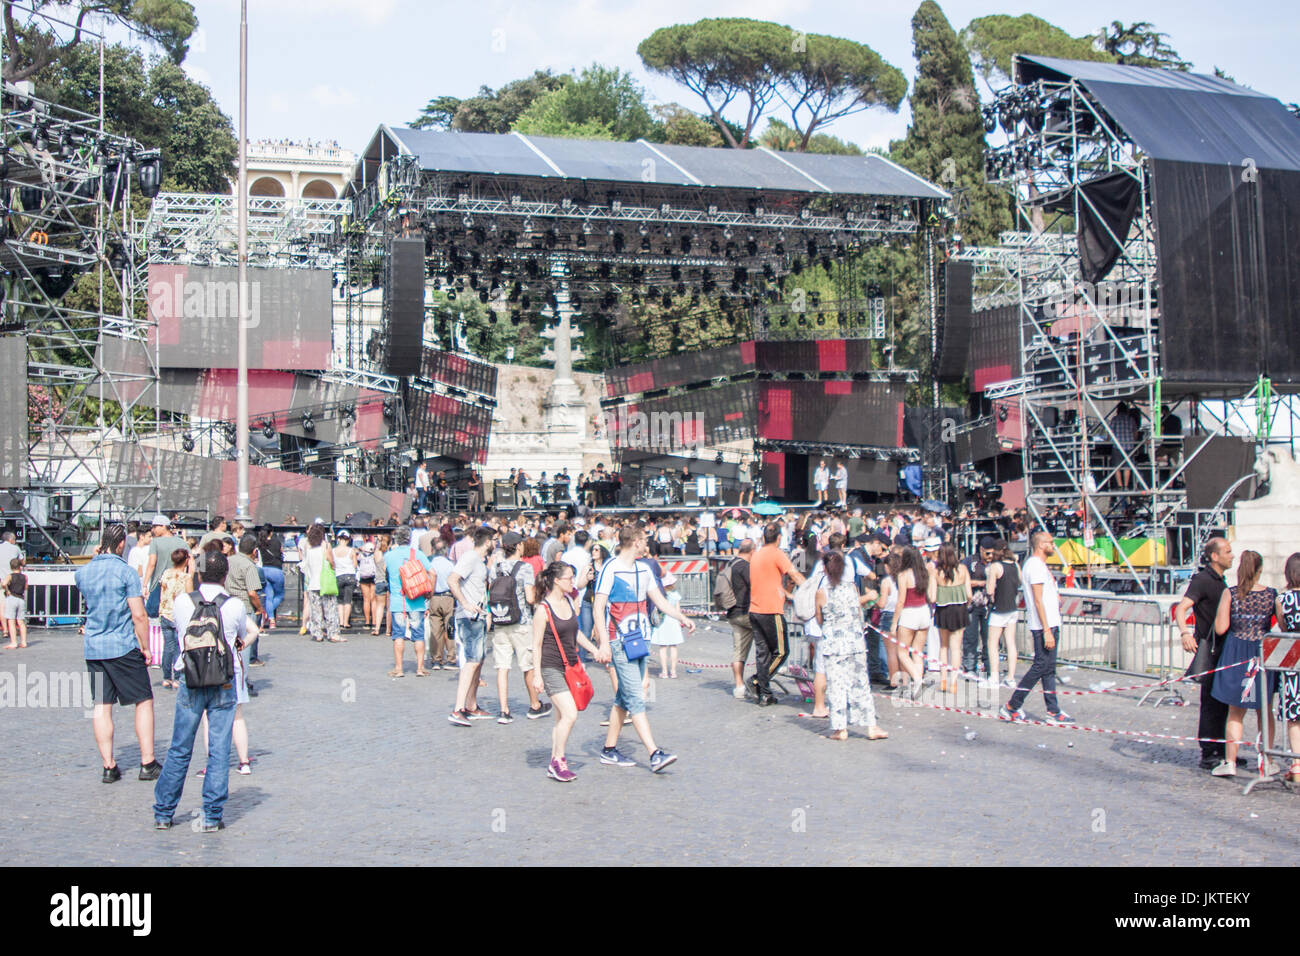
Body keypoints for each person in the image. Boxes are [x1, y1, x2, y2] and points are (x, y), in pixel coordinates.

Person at [151, 550, 246, 831]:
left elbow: (180, 632)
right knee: (218, 750)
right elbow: (240, 637)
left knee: (180, 747)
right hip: (223, 681)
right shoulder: (235, 605)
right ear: (226, 575)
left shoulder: (183, 602)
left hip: (190, 679)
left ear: (200, 573)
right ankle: (212, 816)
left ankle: (164, 812)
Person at [592, 525, 695, 772]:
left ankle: (609, 749)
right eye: (644, 540)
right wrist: (604, 642)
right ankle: (654, 753)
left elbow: (659, 601)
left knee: (624, 697)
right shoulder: (610, 568)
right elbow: (598, 607)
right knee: (636, 697)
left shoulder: (644, 569)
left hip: (640, 638)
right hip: (619, 640)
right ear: (636, 542)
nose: (647, 544)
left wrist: (681, 617)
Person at [75, 524, 161, 784]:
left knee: (102, 705)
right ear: (122, 544)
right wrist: (146, 647)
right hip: (122, 645)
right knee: (143, 700)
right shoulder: (126, 573)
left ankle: (109, 766)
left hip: (94, 647)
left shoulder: (82, 573)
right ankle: (147, 762)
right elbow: (139, 615)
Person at [532, 561, 606, 782]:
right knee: (570, 714)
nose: (573, 582)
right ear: (557, 580)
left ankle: (554, 761)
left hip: (570, 666)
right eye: (569, 578)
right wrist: (537, 675)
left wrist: (595, 650)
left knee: (561, 717)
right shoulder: (543, 610)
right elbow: (536, 645)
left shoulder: (567, 601)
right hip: (550, 667)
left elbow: (576, 634)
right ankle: (558, 761)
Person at [1209, 550, 1279, 777]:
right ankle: (1267, 761)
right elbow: (1283, 625)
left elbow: (1220, 628)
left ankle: (1230, 762)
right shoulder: (1271, 595)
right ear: (1260, 570)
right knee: (1264, 710)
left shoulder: (1230, 593)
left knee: (1235, 711)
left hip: (1236, 653)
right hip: (1261, 653)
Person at [1000, 532, 1074, 724]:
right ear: (1041, 545)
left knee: (1048, 668)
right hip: (1044, 625)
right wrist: (1047, 630)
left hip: (1050, 623)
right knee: (1040, 666)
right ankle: (1012, 705)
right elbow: (1038, 600)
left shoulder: (1039, 565)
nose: (1054, 545)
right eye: (1051, 542)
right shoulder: (1035, 566)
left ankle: (1053, 710)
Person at [1174, 537, 1235, 771]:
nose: (1232, 555)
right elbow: (1181, 608)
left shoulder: (1220, 580)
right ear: (1214, 556)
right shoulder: (1202, 580)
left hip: (1223, 648)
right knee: (1210, 702)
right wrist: (1185, 633)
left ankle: (1223, 749)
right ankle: (1208, 752)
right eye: (1227, 552)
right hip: (1210, 649)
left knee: (1222, 701)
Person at [815, 551, 887, 741]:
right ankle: (871, 726)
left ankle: (840, 728)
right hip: (855, 642)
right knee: (861, 684)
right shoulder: (852, 588)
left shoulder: (822, 593)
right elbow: (858, 612)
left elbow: (819, 618)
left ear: (825, 570)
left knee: (836, 686)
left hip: (834, 645)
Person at [489, 531, 550, 722]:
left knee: (502, 667)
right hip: (522, 622)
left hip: (501, 620)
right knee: (527, 666)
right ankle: (534, 705)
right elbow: (530, 598)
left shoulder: (495, 568)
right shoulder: (524, 568)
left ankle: (504, 710)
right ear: (517, 546)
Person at [747, 523, 806, 705]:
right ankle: (757, 681)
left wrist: (785, 592)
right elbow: (794, 575)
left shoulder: (757, 555)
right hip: (770, 609)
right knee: (781, 651)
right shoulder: (777, 553)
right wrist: (811, 589)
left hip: (755, 608)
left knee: (763, 653)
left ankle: (764, 693)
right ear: (779, 538)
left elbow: (769, 581)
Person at [447, 527, 497, 725]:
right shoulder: (470, 557)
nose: (496, 544)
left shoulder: (480, 561)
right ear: (488, 541)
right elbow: (452, 580)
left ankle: (471, 705)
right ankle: (458, 708)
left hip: (478, 615)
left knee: (479, 660)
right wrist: (465, 603)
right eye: (494, 540)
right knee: (472, 661)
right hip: (469, 616)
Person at [384, 526, 431, 678]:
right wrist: (430, 591)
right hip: (417, 600)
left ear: (396, 539)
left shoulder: (389, 556)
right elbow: (432, 572)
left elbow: (385, 572)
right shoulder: (418, 554)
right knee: (419, 635)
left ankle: (399, 668)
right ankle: (420, 668)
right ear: (410, 538)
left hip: (398, 601)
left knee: (398, 635)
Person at [890, 546, 932, 700]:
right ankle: (917, 685)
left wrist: (894, 622)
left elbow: (901, 600)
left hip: (909, 614)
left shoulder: (903, 575)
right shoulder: (924, 572)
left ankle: (918, 679)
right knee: (917, 652)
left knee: (902, 652)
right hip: (924, 611)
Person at [1274, 552, 1300, 782]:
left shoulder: (1283, 599)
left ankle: (1297, 765)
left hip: (1293, 661)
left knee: (1295, 715)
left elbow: (1283, 628)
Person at [932, 544, 972, 695]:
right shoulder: (963, 570)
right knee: (956, 648)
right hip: (959, 608)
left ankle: (943, 680)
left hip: (943, 609)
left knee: (944, 646)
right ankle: (954, 682)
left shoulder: (936, 572)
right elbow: (969, 594)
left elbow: (933, 597)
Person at [983, 540, 1022, 690]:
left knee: (992, 643)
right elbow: (1019, 581)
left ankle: (993, 677)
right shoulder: (1015, 565)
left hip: (999, 609)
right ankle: (1010, 677)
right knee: (1010, 643)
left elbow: (990, 590)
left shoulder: (996, 567)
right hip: (1012, 608)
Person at [300, 523, 341, 643]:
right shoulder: (326, 545)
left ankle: (317, 633)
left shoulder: (308, 547)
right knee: (330, 609)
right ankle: (333, 633)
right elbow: (331, 561)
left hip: (312, 582)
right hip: (325, 582)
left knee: (315, 610)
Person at [156, 548, 191, 690]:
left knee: (168, 646)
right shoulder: (186, 577)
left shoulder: (166, 573)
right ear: (186, 560)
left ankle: (166, 678)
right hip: (178, 615)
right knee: (178, 646)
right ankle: (177, 677)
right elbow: (190, 597)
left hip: (164, 613)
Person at [726, 540, 755, 699]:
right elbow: (754, 585)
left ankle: (739, 686)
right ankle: (758, 682)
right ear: (751, 551)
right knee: (764, 646)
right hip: (747, 611)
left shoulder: (730, 564)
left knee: (738, 652)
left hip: (733, 612)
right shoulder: (745, 567)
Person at [425, 535, 457, 669]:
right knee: (450, 629)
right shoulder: (450, 565)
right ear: (445, 551)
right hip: (448, 597)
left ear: (433, 550)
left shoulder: (430, 565)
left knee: (435, 630)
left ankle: (436, 659)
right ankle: (451, 658)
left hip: (434, 597)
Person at [651, 573, 685, 678]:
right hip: (673, 621)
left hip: (662, 622)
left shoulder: (660, 595)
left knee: (663, 648)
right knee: (673, 647)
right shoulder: (675, 594)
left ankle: (664, 672)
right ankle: (673, 671)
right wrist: (681, 620)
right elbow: (678, 610)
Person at [256, 524, 284, 630]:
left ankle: (271, 620)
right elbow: (281, 552)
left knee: (269, 596)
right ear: (271, 532)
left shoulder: (260, 542)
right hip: (276, 570)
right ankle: (268, 612)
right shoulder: (276, 541)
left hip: (264, 570)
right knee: (280, 595)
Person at [2, 557, 27, 649]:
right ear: (20, 566)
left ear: (11, 567)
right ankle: (23, 642)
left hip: (12, 598)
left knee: (11, 621)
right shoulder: (24, 577)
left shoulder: (10, 576)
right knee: (21, 622)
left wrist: (7, 590)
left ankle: (14, 642)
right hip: (21, 599)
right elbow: (26, 587)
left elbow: (4, 584)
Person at [371, 535, 391, 638]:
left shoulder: (377, 553)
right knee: (389, 607)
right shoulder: (390, 554)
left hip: (379, 580)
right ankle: (388, 630)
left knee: (379, 605)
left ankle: (377, 628)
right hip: (389, 581)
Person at [357, 539, 378, 632]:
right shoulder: (374, 555)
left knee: (366, 600)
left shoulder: (361, 555)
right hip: (373, 577)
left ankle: (367, 622)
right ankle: (374, 622)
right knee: (373, 600)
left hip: (364, 577)